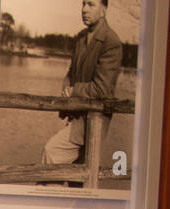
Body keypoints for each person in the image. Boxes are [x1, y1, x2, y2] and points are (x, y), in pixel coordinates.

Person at [41, 0, 122, 168]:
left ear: (104, 10)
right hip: (75, 116)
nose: (84, 9)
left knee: (52, 151)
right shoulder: (80, 38)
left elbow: (102, 89)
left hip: (92, 122)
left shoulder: (111, 42)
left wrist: (73, 91)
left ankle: (44, 194)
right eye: (83, 4)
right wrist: (66, 92)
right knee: (74, 179)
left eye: (91, 4)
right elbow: (71, 74)